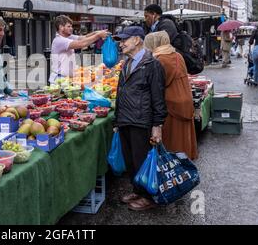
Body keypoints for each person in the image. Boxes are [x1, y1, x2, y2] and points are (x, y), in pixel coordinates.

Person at [113, 26, 167, 211]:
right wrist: (116, 120)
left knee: (143, 161)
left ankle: (149, 197)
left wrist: (157, 125)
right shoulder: (127, 63)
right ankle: (137, 189)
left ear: (137, 40)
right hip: (126, 119)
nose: (121, 44)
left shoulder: (152, 64)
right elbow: (120, 93)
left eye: (124, 40)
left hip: (141, 120)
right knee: (131, 161)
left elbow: (158, 97)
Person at [144, 31, 198, 160]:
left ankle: (173, 166)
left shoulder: (160, 59)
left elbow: (157, 85)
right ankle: (184, 161)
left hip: (171, 102)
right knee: (183, 136)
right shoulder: (176, 55)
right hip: (184, 99)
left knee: (173, 138)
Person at [49, 15, 109, 84]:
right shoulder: (59, 40)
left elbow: (84, 37)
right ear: (61, 27)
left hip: (67, 79)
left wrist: (97, 32)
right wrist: (98, 35)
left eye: (71, 26)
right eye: (68, 26)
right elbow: (82, 43)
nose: (71, 28)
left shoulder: (68, 37)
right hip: (59, 79)